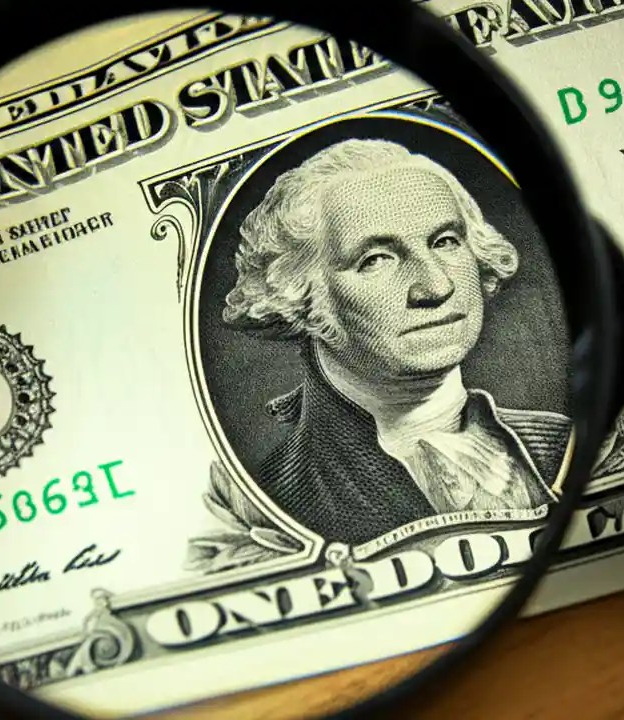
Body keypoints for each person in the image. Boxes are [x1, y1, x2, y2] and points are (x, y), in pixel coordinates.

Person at [221, 137, 572, 546]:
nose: (436, 286)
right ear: (301, 295)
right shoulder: (272, 503)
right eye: (376, 259)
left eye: (445, 241)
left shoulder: (569, 442)